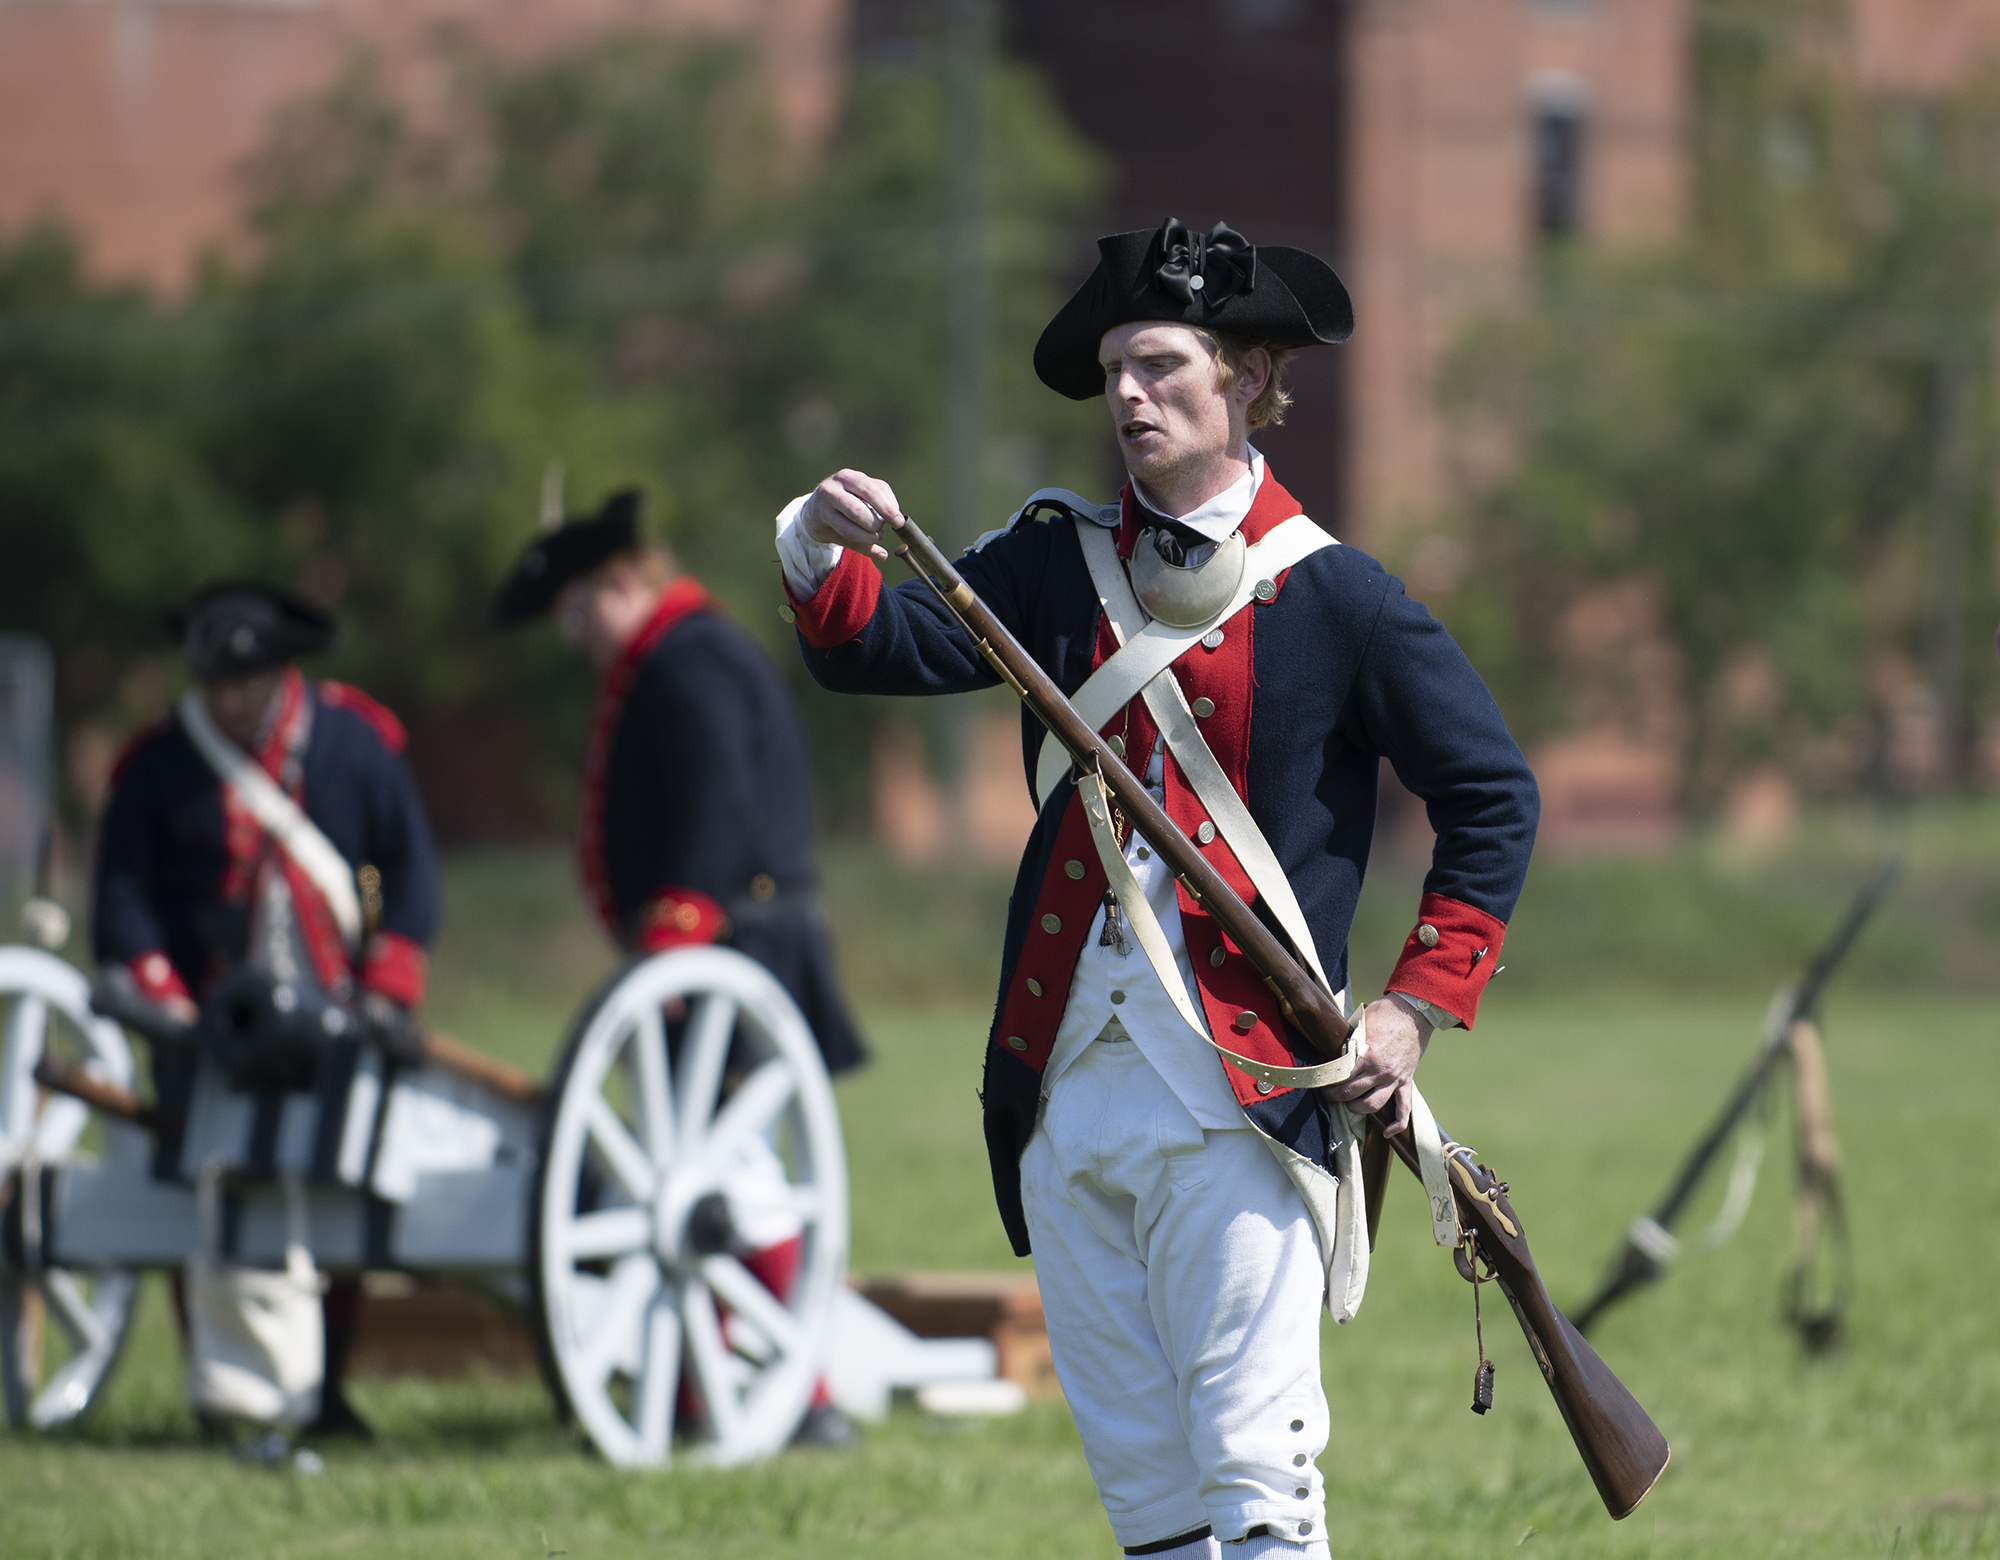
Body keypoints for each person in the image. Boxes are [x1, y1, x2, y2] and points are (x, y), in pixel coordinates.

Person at [774, 218, 1539, 1557]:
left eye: (1163, 363)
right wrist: (813, 540)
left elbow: (1492, 799)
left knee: (1255, 1464)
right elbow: (872, 650)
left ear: (1246, 375)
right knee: (1145, 1485)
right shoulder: (1050, 562)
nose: (1129, 393)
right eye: (1118, 366)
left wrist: (1415, 1008)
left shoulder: (1340, 596)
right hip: (1068, 1090)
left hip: (1244, 1097)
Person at [494, 486, 867, 1447]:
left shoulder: (689, 656)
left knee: (728, 1165)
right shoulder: (670, 654)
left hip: (728, 937)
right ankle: (722, 1388)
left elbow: (713, 790)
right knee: (718, 1158)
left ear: (618, 585)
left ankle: (801, 1389)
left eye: (579, 611)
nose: (575, 635)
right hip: (714, 943)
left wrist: (678, 922)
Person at [94, 580, 440, 1439]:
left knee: (343, 1191)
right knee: (198, 1194)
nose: (231, 699)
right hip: (205, 1019)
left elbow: (409, 869)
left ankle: (325, 1388)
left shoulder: (355, 743)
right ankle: (224, 1391)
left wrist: (390, 983)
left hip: (336, 1011)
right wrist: (161, 993)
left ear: (281, 675)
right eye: (216, 684)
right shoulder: (159, 763)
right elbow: (124, 890)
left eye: (245, 682)